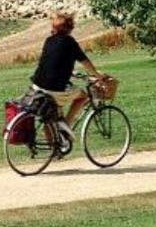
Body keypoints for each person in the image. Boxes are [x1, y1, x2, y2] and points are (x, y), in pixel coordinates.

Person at [30, 12, 104, 140]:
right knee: (83, 96)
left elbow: (53, 62)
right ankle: (67, 124)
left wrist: (71, 73)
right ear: (70, 28)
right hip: (54, 89)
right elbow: (86, 62)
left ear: (54, 28)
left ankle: (54, 149)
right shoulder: (70, 43)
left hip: (37, 85)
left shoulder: (49, 41)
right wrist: (97, 76)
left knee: (49, 115)